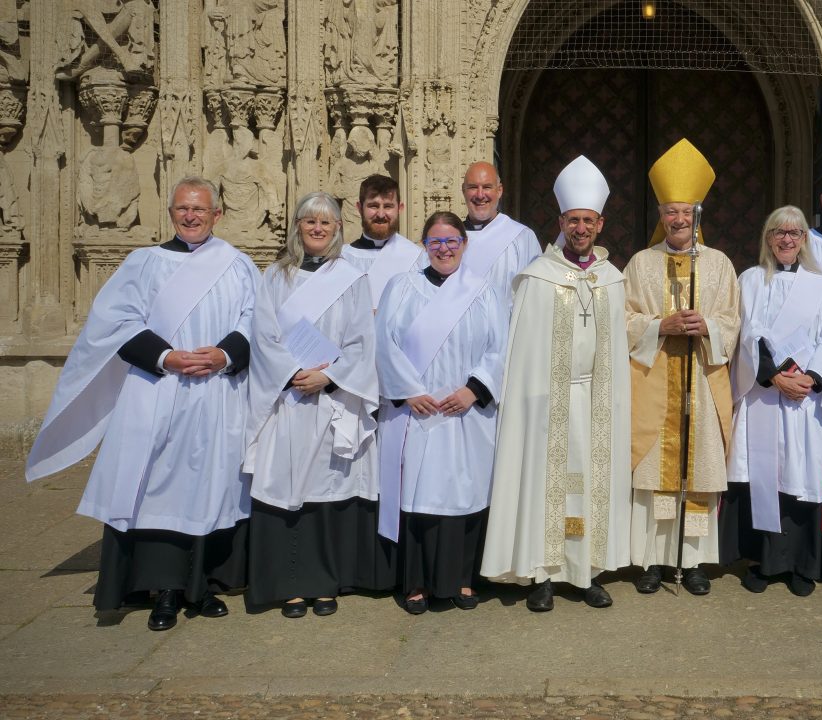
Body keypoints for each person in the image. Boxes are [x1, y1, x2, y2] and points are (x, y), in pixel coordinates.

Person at [26, 176, 257, 631]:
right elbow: (114, 322)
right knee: (156, 491)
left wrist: (225, 354)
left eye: (200, 210)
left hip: (216, 394)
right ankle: (164, 591)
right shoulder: (143, 262)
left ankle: (202, 585)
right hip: (158, 390)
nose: (191, 217)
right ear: (171, 213)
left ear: (218, 215)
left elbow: (254, 318)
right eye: (182, 210)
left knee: (211, 487)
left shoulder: (239, 264)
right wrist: (166, 355)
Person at [480, 156, 631, 612]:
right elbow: (524, 351)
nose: (581, 228)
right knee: (548, 482)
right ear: (561, 222)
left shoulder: (611, 279)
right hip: (548, 402)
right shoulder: (537, 278)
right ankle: (543, 575)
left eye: (588, 220)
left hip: (596, 402)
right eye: (573, 220)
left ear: (600, 223)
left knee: (590, 483)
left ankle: (586, 574)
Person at [243, 192, 382, 619]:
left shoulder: (351, 278)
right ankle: (290, 588)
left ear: (339, 229)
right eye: (310, 221)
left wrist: (330, 377)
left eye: (327, 222)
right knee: (288, 489)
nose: (318, 228)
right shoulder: (275, 277)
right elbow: (263, 336)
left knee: (328, 492)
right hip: (288, 399)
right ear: (298, 226)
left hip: (332, 399)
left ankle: (325, 583)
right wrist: (290, 373)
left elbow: (362, 341)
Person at [625, 138, 741, 596]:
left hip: (702, 380)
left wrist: (706, 325)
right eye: (670, 211)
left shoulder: (718, 264)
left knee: (700, 472)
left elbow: (733, 321)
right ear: (660, 214)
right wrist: (660, 325)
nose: (677, 219)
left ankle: (693, 562)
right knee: (655, 473)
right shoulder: (640, 263)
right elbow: (625, 319)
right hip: (655, 383)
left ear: (698, 215)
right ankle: (652, 561)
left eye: (686, 211)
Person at [377, 211, 506, 615]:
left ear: (465, 245)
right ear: (424, 246)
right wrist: (409, 392)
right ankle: (416, 584)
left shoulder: (484, 291)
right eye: (436, 242)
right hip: (417, 412)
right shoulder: (401, 288)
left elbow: (501, 347)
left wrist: (474, 389)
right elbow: (384, 345)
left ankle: (463, 579)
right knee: (419, 496)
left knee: (465, 494)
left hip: (466, 413)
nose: (444, 249)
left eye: (452, 242)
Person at [721, 206, 822, 597]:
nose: (787, 239)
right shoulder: (750, 279)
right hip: (764, 397)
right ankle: (764, 562)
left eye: (795, 233)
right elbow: (747, 335)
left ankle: (802, 565)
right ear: (768, 238)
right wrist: (773, 377)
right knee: (763, 475)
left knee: (800, 478)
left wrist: (810, 378)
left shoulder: (821, 286)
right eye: (779, 233)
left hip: (804, 399)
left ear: (804, 239)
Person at [459, 161, 542, 307]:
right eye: (473, 187)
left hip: (507, 328)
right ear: (463, 191)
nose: (480, 195)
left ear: (499, 190)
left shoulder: (522, 238)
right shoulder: (449, 240)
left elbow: (535, 297)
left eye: (487, 187)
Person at [340, 174, 426, 311]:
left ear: (400, 208)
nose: (380, 214)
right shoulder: (341, 257)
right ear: (359, 208)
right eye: (373, 206)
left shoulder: (417, 259)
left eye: (388, 206)